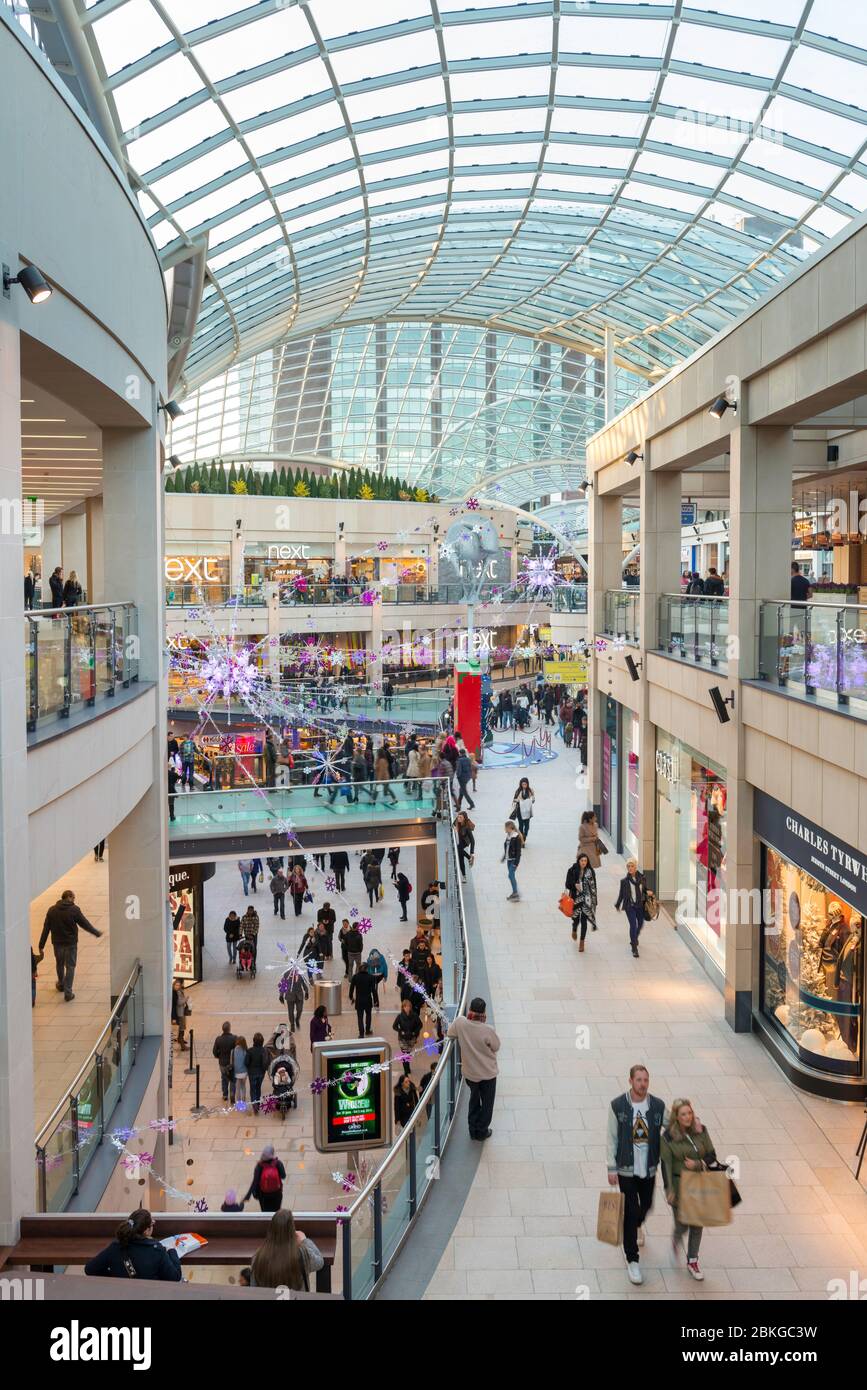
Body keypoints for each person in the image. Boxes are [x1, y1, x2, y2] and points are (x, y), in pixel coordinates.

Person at [607, 1065, 668, 1286]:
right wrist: (611, 1167)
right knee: (632, 1209)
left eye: (646, 1080)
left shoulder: (658, 1106)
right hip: (626, 1168)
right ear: (630, 1081)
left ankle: (634, 1223)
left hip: (649, 1166)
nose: (643, 1084)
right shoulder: (618, 1105)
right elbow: (611, 1138)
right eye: (639, 1080)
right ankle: (632, 1258)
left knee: (648, 1204)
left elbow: (672, 1127)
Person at [660, 1098, 717, 1281]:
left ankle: (693, 1260)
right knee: (682, 1224)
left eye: (690, 1113)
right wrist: (669, 1189)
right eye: (683, 1114)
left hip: (699, 1183)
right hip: (679, 1185)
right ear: (676, 1116)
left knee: (697, 1224)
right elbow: (666, 1164)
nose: (688, 1117)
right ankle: (676, 1241)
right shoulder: (668, 1137)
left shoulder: (700, 1131)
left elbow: (712, 1155)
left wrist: (698, 1163)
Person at [447, 996, 500, 1141]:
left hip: (470, 1073)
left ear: (470, 1009)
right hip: (487, 1074)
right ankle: (481, 1131)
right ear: (483, 1013)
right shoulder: (488, 1030)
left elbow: (450, 1033)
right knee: (487, 1104)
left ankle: (472, 1129)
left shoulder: (460, 1023)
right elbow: (496, 1046)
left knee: (474, 1099)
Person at [38, 889, 102, 1002]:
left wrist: (41, 945)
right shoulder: (74, 910)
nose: (74, 901)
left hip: (57, 943)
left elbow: (46, 928)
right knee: (70, 966)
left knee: (59, 964)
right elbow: (84, 924)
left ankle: (61, 984)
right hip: (70, 943)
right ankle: (68, 993)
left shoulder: (52, 910)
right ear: (69, 897)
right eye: (73, 898)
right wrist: (96, 932)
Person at [84, 1210, 182, 1282]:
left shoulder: (116, 1246)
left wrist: (114, 1277)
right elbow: (175, 1277)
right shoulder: (157, 1251)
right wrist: (172, 1251)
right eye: (152, 1224)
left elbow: (89, 1269)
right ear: (146, 1231)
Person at [250, 1208, 324, 1291]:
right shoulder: (301, 1254)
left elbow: (254, 1288)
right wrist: (305, 1240)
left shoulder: (258, 1257)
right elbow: (319, 1261)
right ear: (292, 1230)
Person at [615, 859, 648, 958]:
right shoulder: (624, 881)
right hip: (630, 906)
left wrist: (648, 892)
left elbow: (645, 890)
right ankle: (634, 947)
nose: (630, 868)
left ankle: (634, 937)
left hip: (640, 906)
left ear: (636, 867)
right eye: (628, 866)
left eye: (632, 866)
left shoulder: (642, 878)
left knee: (640, 924)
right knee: (633, 925)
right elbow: (621, 894)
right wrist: (618, 904)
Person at [566, 851, 597, 950]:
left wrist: (595, 900)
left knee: (584, 920)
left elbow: (594, 886)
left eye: (585, 861)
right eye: (582, 860)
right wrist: (574, 885)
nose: (583, 862)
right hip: (575, 899)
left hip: (586, 900)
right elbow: (567, 884)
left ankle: (582, 942)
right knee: (576, 919)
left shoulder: (590, 872)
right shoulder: (572, 870)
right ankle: (574, 929)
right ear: (578, 861)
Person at [243, 1144, 286, 1213]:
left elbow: (255, 1182)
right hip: (276, 1194)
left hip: (263, 1196)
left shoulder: (259, 1166)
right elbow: (283, 1176)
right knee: (276, 1212)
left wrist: (248, 1196)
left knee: (265, 1212)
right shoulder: (278, 1163)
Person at [393, 998, 422, 1074]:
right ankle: (406, 1070)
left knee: (408, 1053)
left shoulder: (414, 1016)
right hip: (402, 1038)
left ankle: (407, 1067)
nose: (407, 1008)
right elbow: (394, 1026)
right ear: (403, 1007)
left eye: (409, 1006)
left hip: (411, 1038)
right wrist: (400, 1031)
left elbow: (420, 1025)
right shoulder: (400, 1016)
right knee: (404, 1054)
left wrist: (414, 1033)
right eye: (405, 1006)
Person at [349, 960, 376, 1037]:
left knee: (360, 1017)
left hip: (359, 1001)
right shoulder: (371, 977)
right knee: (368, 1015)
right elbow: (373, 990)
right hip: (368, 1000)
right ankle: (367, 1030)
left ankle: (361, 1033)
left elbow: (351, 989)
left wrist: (351, 997)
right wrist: (376, 1000)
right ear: (367, 969)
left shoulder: (355, 977)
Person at [213, 1021, 237, 1104]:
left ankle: (225, 1094)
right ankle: (232, 1094)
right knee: (233, 1079)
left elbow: (214, 1052)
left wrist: (219, 1056)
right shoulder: (234, 1038)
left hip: (222, 1063)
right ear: (229, 1029)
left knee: (224, 1078)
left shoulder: (218, 1039)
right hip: (232, 1063)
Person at [282, 964, 309, 1033]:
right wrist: (281, 995)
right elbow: (283, 985)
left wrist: (306, 991)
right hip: (290, 996)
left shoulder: (300, 974)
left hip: (299, 995)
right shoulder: (286, 974)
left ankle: (297, 1019)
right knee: (290, 1012)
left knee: (299, 1010)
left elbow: (304, 983)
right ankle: (292, 1024)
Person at [246, 1033, 269, 1114]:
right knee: (258, 1088)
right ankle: (258, 1103)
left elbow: (246, 1062)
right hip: (261, 1073)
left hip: (252, 1073)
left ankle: (254, 1105)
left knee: (253, 1089)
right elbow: (267, 1061)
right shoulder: (264, 1050)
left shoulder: (249, 1050)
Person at [502, 820, 524, 902]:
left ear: (509, 828)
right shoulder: (508, 835)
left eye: (505, 827)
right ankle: (515, 892)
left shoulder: (516, 837)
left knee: (510, 875)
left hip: (514, 860)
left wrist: (516, 863)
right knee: (512, 876)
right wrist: (504, 857)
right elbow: (507, 848)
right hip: (509, 859)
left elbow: (518, 852)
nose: (504, 829)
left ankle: (516, 893)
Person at [455, 810, 475, 882]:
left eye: (460, 817)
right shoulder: (457, 821)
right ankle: (464, 876)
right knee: (460, 859)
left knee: (458, 849)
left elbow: (472, 840)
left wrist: (471, 852)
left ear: (464, 818)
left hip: (465, 841)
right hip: (459, 840)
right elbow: (452, 825)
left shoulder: (467, 827)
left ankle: (470, 857)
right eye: (458, 817)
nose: (458, 819)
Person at [172, 979, 189, 1049]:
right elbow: (179, 1003)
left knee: (182, 1028)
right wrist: (186, 999)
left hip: (180, 1012)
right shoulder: (176, 992)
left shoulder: (178, 991)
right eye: (176, 985)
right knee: (182, 1028)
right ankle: (182, 1046)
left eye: (179, 985)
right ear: (174, 985)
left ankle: (180, 1040)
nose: (178, 986)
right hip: (180, 1013)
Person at [233, 1035, 249, 1106]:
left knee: (238, 1088)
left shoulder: (234, 1050)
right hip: (244, 1072)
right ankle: (243, 1100)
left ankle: (239, 1103)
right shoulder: (245, 1051)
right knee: (243, 1087)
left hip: (237, 1072)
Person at [167, 757, 179, 822]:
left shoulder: (163, 773)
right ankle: (172, 816)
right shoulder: (173, 773)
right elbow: (180, 777)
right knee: (171, 804)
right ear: (170, 767)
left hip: (164, 791)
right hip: (171, 791)